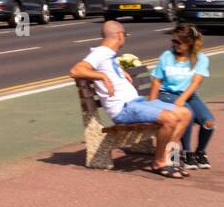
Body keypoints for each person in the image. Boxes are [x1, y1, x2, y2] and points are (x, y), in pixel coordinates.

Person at [69, 20, 194, 178]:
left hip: (137, 104)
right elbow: (75, 71)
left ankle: (169, 157)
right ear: (120, 35)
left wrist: (120, 71)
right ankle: (160, 162)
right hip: (125, 109)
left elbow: (107, 67)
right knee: (169, 119)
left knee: (185, 114)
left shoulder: (109, 55)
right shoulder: (100, 53)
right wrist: (102, 76)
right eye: (125, 35)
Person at [148, 24, 214, 169]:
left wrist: (183, 98)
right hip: (166, 94)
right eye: (173, 41)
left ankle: (200, 152)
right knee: (187, 115)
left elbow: (196, 82)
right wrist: (151, 104)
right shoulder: (167, 56)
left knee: (209, 123)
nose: (174, 45)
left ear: (189, 43)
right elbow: (157, 81)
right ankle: (186, 152)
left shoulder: (200, 59)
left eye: (178, 42)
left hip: (188, 95)